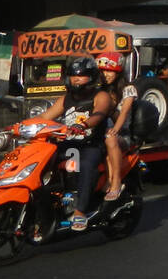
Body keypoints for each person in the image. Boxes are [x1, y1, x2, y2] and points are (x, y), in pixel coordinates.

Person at [39, 56, 115, 231]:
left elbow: (100, 113)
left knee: (86, 165)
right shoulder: (66, 99)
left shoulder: (101, 95)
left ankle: (80, 211)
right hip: (68, 144)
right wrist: (19, 126)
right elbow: (45, 117)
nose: (76, 79)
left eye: (81, 75)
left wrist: (83, 124)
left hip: (91, 144)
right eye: (73, 75)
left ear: (92, 77)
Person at [97, 52, 137, 201]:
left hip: (122, 134)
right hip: (99, 131)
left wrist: (115, 130)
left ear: (118, 72)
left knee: (110, 139)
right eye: (103, 71)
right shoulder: (99, 90)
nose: (105, 75)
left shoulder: (128, 89)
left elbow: (124, 113)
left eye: (109, 71)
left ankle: (115, 182)